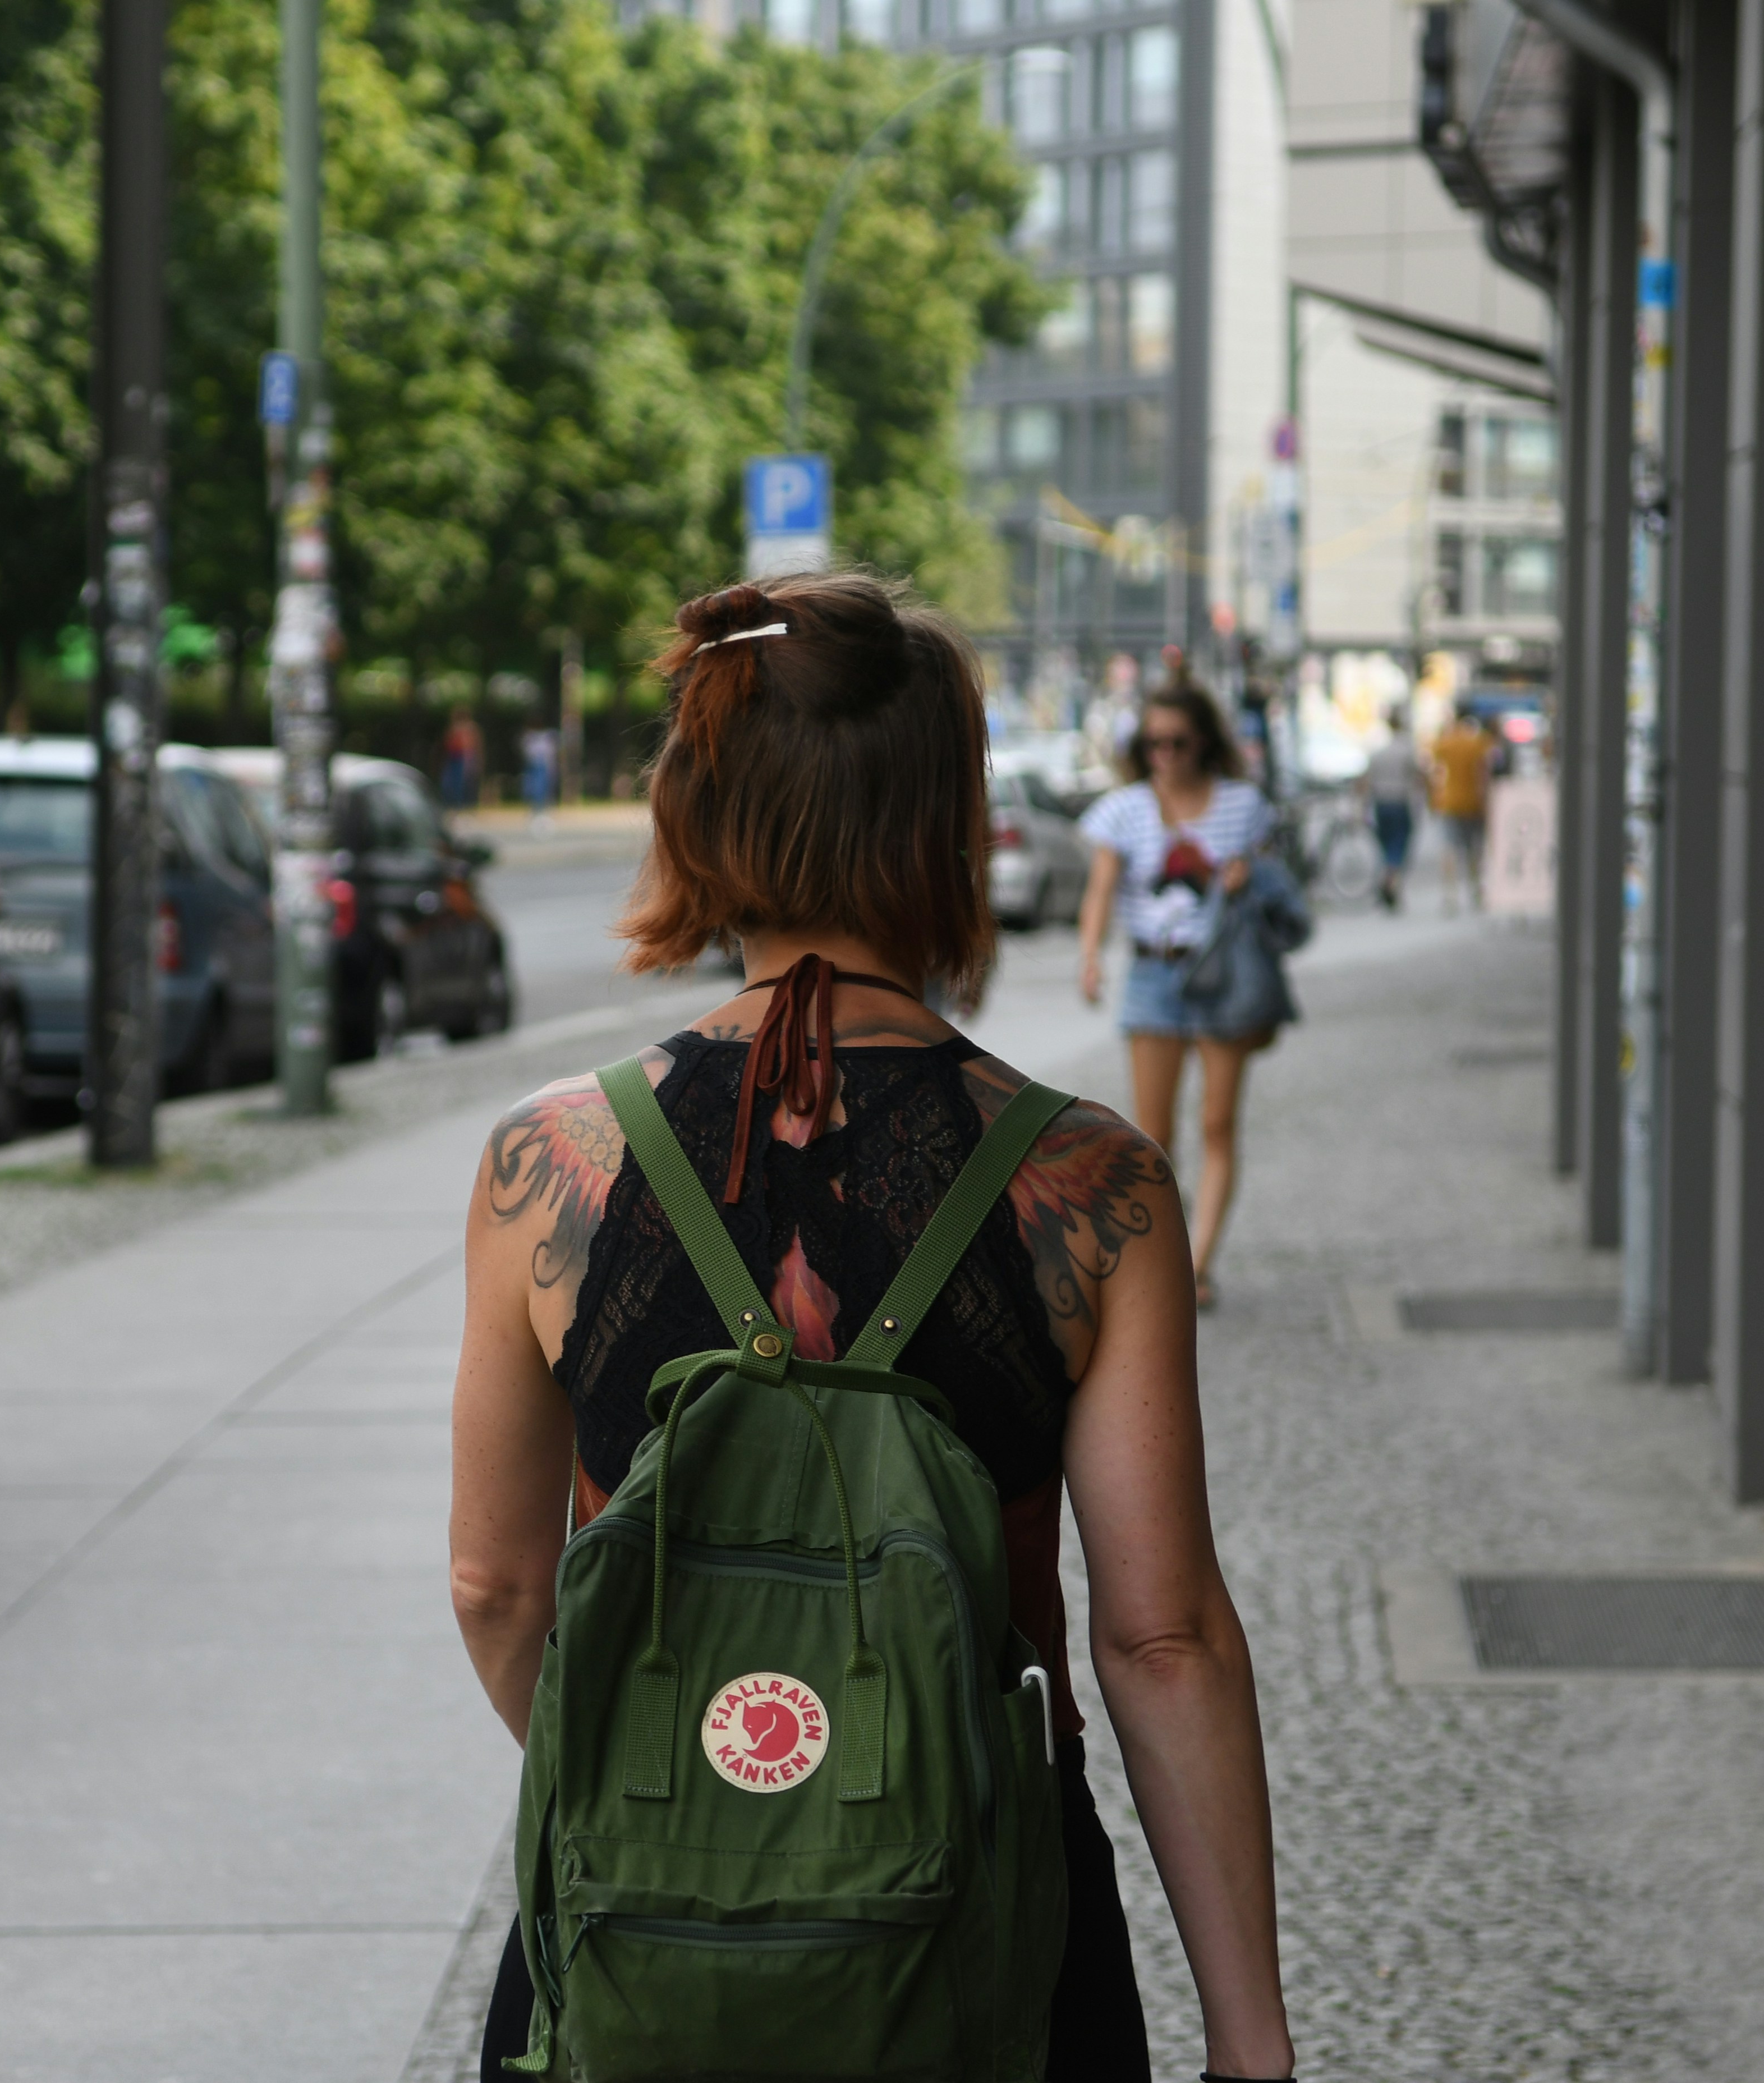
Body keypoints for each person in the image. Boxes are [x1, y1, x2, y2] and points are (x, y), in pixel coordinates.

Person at [451, 574, 1293, 2083]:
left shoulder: (548, 1164)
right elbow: (1160, 1638)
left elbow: (498, 1586)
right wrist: (1252, 2045)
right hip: (988, 1943)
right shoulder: (1086, 1182)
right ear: (951, 825)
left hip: (633, 1954)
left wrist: (695, 1813)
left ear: (694, 812)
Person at [1073, 671, 1280, 1311]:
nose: (1165, 754)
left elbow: (1275, 887)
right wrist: (1089, 956)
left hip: (1223, 973)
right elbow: (1103, 888)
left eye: (1178, 743)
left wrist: (1251, 878)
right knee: (1152, 1141)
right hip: (1154, 976)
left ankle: (1197, 1267)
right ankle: (1166, 1255)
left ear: (1204, 743)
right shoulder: (1124, 808)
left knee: (1218, 1123)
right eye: (1154, 743)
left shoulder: (1243, 805)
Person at [1430, 701, 1497, 912]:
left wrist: (1434, 799)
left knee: (1450, 850)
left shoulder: (1446, 742)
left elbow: (1436, 771)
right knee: (1474, 850)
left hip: (1449, 802)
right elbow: (1484, 773)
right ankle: (1476, 891)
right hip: (1474, 803)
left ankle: (1450, 896)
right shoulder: (1479, 742)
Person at [1361, 703, 1424, 912]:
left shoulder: (1379, 752)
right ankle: (1392, 881)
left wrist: (1361, 806)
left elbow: (1365, 781)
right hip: (1400, 802)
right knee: (1399, 846)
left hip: (1381, 803)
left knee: (1387, 844)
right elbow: (1418, 777)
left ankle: (1388, 880)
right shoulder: (1407, 750)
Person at [441, 705, 483, 811]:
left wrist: (476, 759)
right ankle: (453, 805)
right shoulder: (454, 727)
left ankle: (464, 806)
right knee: (450, 783)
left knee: (465, 783)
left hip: (465, 758)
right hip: (454, 758)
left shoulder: (471, 728)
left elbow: (475, 745)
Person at [518, 720, 558, 829]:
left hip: (542, 766)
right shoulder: (530, 736)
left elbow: (550, 753)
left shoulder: (547, 736)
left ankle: (543, 810)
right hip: (533, 765)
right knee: (532, 788)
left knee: (543, 788)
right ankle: (534, 810)